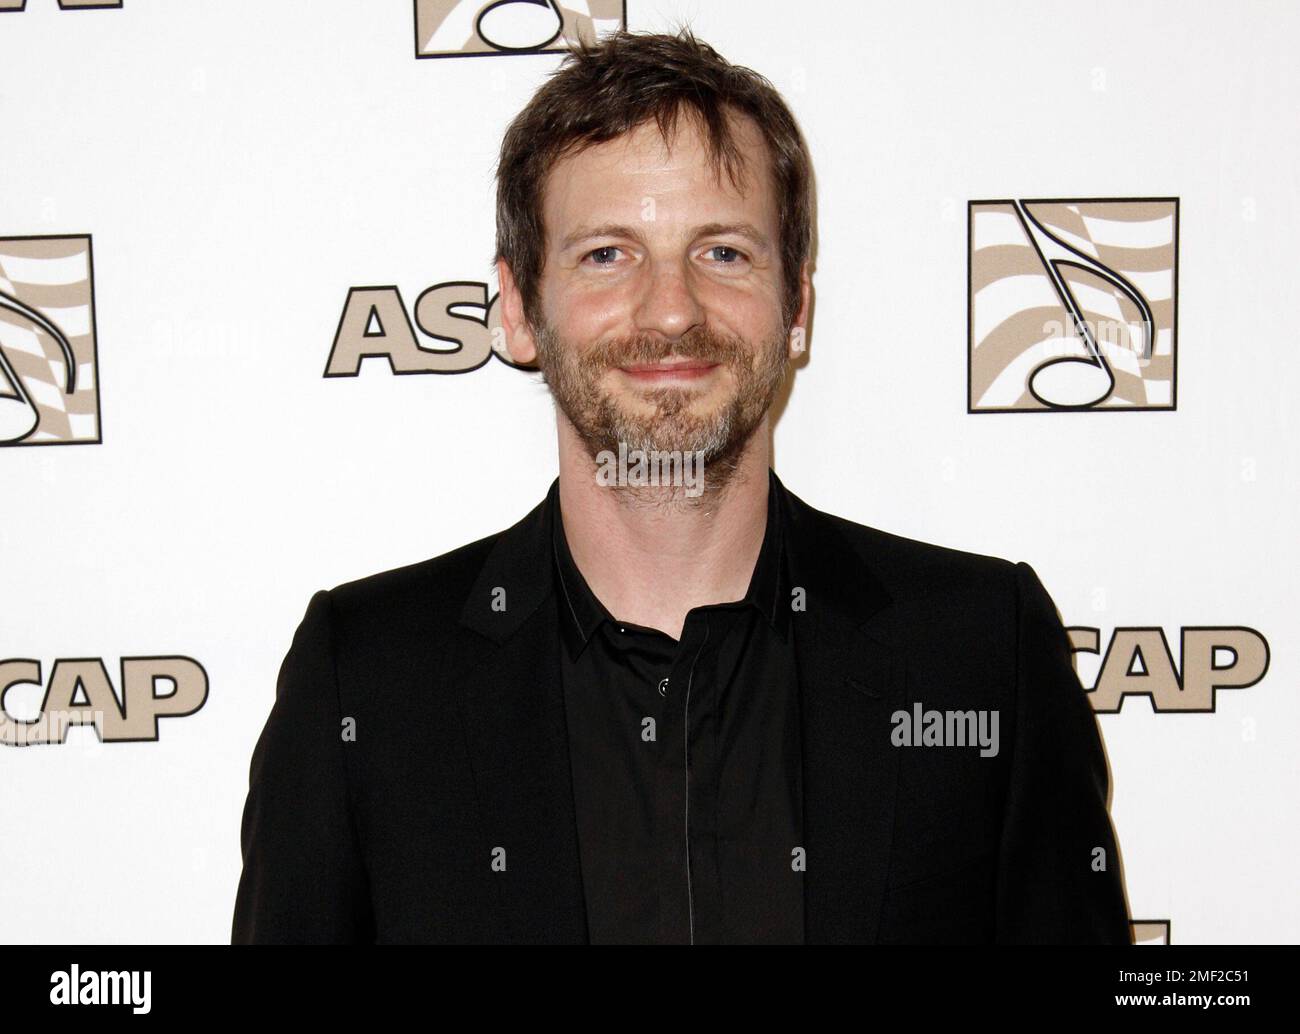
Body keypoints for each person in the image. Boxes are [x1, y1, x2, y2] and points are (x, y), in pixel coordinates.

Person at [232, 27, 1131, 944]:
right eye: (607, 255)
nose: (671, 309)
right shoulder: (368, 685)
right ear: (516, 310)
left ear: (798, 309)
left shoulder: (982, 652)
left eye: (725, 253)